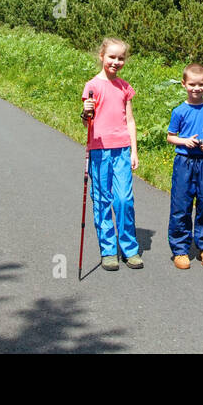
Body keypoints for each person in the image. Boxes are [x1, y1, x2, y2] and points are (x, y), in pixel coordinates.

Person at [81, 37, 142, 270]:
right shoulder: (92, 86)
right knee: (102, 200)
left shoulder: (125, 87)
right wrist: (85, 112)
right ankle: (108, 250)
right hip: (99, 150)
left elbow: (130, 119)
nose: (116, 62)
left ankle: (130, 248)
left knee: (124, 199)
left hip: (122, 149)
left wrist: (134, 150)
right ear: (101, 56)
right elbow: (87, 122)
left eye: (121, 58)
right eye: (112, 57)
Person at [166, 63, 203, 269]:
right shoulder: (179, 111)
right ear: (184, 84)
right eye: (192, 84)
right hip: (184, 162)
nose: (196, 89)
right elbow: (171, 137)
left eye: (201, 84)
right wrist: (185, 141)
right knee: (181, 204)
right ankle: (180, 249)